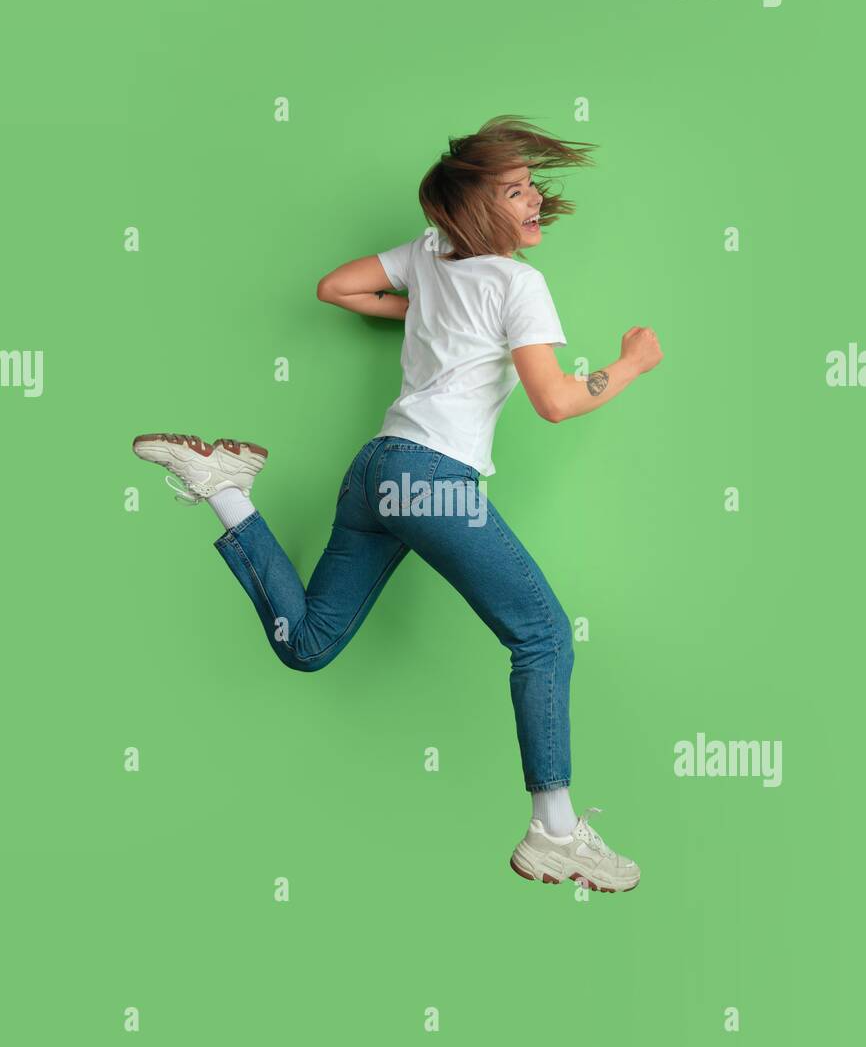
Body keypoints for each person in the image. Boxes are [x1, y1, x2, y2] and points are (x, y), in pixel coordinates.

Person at [132, 115, 663, 891]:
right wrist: (631, 364)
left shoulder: (429, 254)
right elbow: (554, 401)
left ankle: (227, 492)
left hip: (377, 469)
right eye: (515, 193)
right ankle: (554, 831)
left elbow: (336, 288)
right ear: (478, 209)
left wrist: (427, 313)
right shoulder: (517, 284)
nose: (534, 202)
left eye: (529, 188)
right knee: (544, 635)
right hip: (432, 480)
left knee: (307, 644)